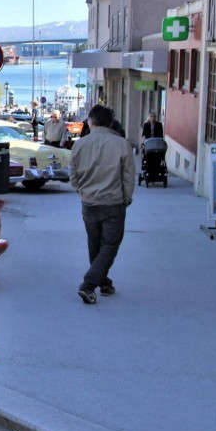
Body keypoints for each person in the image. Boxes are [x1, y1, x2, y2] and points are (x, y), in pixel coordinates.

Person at [70, 104, 135, 305]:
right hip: (113, 202)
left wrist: (82, 191)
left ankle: (104, 283)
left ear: (90, 121)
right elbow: (128, 176)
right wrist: (126, 197)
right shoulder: (122, 144)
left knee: (95, 244)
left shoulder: (80, 145)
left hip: (89, 202)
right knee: (109, 245)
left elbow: (73, 176)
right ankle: (89, 285)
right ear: (111, 122)